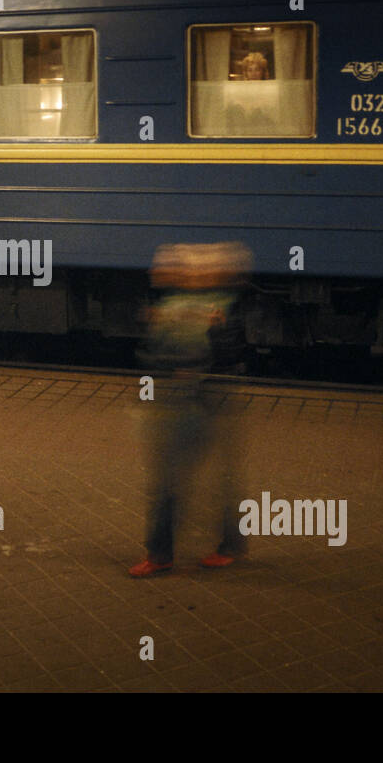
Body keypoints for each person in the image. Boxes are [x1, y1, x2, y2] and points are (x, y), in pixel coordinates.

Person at [129, 242, 253, 578]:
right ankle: (224, 545)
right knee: (207, 480)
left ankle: (162, 555)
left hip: (205, 402)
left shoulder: (221, 306)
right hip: (177, 401)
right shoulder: (172, 304)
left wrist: (216, 333)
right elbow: (153, 355)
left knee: (171, 482)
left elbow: (231, 356)